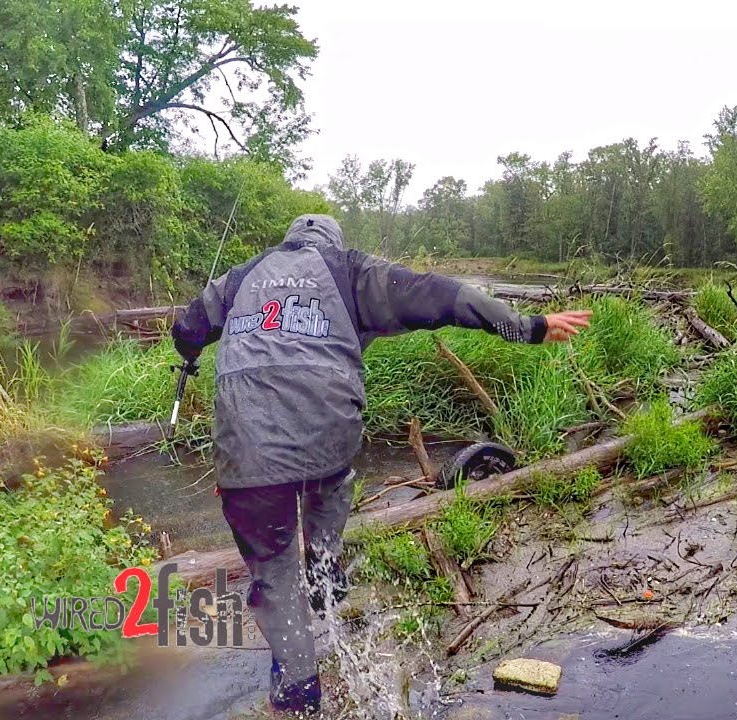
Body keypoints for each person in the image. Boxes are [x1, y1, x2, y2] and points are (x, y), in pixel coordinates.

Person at [170, 215, 592, 716]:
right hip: (328, 440)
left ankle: (299, 691)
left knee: (273, 566)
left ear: (289, 240)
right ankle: (325, 573)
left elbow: (187, 329)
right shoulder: (351, 271)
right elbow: (445, 296)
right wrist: (530, 327)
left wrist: (191, 352)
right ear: (333, 241)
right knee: (334, 479)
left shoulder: (240, 277)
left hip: (245, 452)